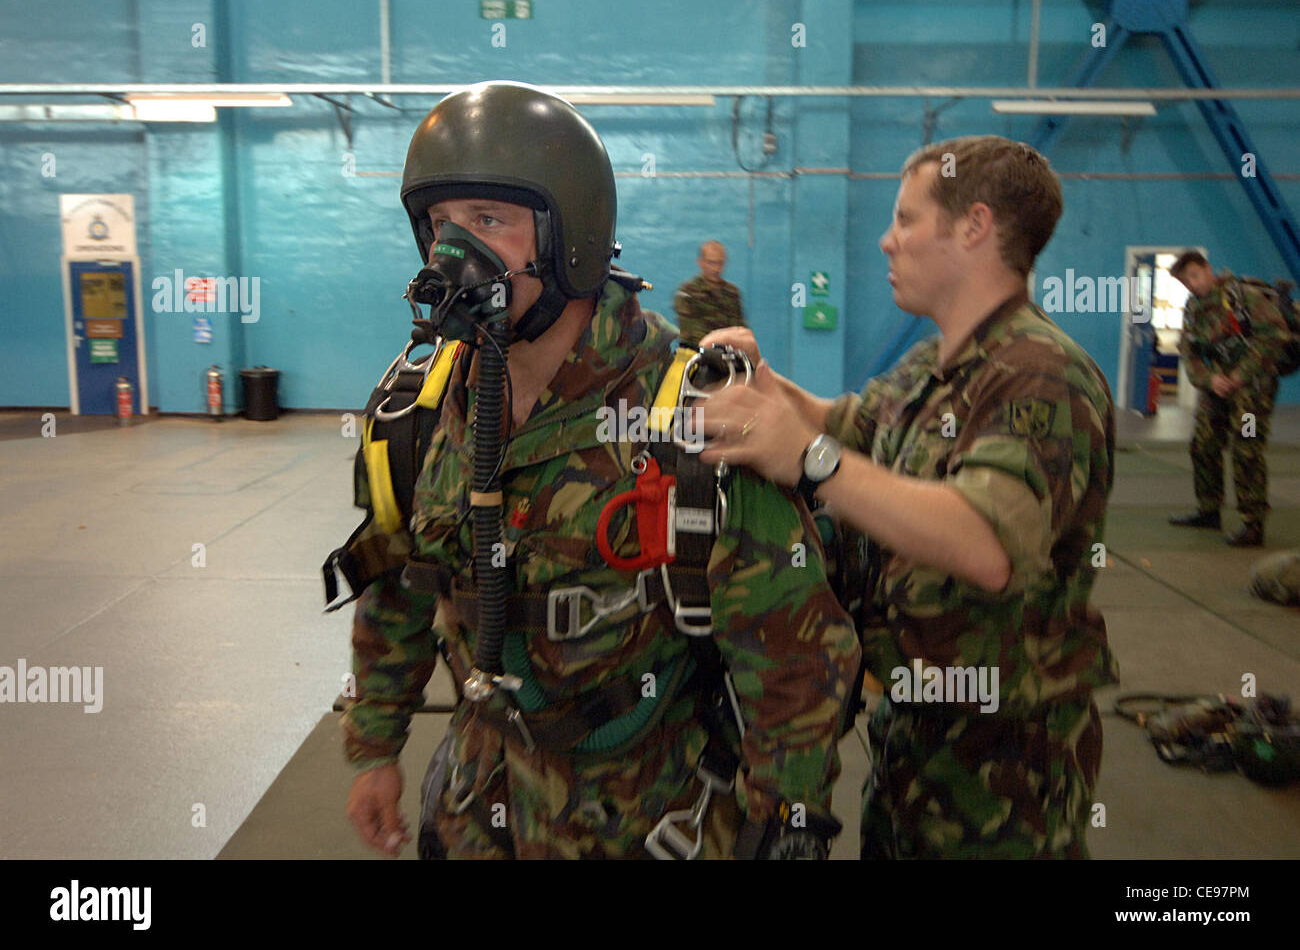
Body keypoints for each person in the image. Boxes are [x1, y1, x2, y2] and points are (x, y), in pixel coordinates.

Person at [341, 81, 860, 860]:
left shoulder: (694, 415)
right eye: (442, 224)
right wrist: (376, 743)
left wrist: (789, 821)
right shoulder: (418, 410)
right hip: (478, 808)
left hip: (648, 822)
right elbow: (395, 582)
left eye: (490, 221)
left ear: (570, 236)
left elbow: (794, 652)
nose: (456, 253)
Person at [698, 135, 1119, 858]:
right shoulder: (938, 361)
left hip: (1006, 761)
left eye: (905, 220)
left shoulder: (1041, 374)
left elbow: (985, 544)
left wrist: (806, 456)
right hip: (916, 731)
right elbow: (844, 424)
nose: (887, 242)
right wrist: (764, 384)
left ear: (974, 226)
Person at [1167, 251, 1290, 547]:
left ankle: (1253, 522)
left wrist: (1240, 374)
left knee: (1246, 448)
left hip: (1252, 389)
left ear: (1208, 269)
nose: (1192, 285)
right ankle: (1209, 510)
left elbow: (1275, 335)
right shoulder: (1194, 308)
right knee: (1203, 443)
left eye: (1195, 276)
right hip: (1218, 386)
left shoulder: (1243, 297)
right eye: (1186, 281)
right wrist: (1209, 380)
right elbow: (1189, 350)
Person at [673, 240, 747, 346]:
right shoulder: (686, 293)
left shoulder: (732, 293)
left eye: (720, 263)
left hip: (729, 354)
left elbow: (740, 330)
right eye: (711, 262)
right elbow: (692, 335)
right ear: (700, 262)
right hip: (696, 354)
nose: (716, 268)